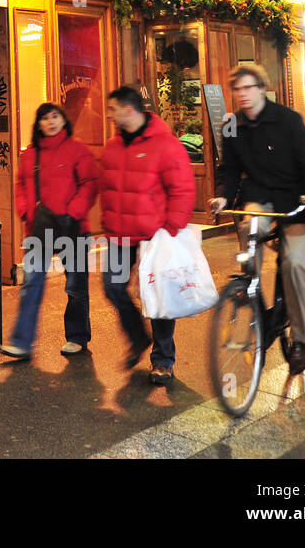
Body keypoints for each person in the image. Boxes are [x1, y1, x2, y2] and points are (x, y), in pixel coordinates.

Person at [211, 64, 305, 375]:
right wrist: (223, 195)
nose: (243, 95)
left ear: (262, 88)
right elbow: (230, 169)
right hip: (259, 197)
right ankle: (252, 297)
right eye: (237, 90)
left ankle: (301, 340)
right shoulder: (232, 124)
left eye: (248, 88)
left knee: (292, 263)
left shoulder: (288, 120)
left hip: (296, 200)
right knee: (250, 235)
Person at [98, 85, 196, 387]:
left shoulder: (165, 145)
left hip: (155, 236)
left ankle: (163, 361)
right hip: (119, 235)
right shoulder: (112, 147)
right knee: (112, 286)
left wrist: (170, 230)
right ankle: (139, 338)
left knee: (160, 298)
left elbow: (182, 189)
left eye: (113, 109)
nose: (109, 114)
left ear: (129, 110)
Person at [0, 103, 99, 360]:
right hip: (40, 227)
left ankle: (77, 338)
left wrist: (73, 212)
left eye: (55, 116)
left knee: (76, 287)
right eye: (45, 118)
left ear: (64, 120)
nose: (51, 122)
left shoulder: (78, 150)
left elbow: (89, 184)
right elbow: (21, 184)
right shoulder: (30, 154)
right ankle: (22, 342)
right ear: (39, 124)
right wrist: (25, 212)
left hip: (72, 227)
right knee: (31, 283)